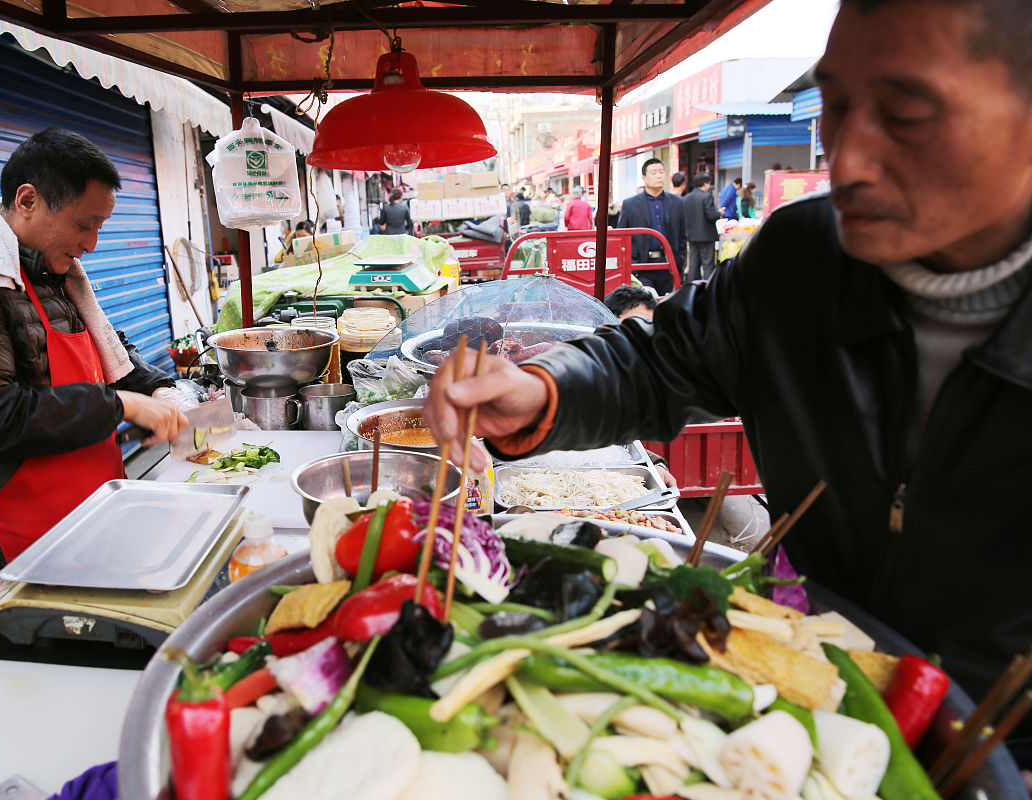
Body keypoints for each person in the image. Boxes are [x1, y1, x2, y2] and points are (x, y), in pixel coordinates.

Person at [426, 0, 1032, 769]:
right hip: (797, 685)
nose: (845, 161)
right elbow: (662, 357)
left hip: (999, 747)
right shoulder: (803, 260)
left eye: (907, 115)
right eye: (836, 108)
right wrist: (546, 390)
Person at [0, 128, 188, 584]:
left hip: (96, 505)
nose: (91, 244)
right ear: (28, 200)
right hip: (21, 532)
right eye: (83, 224)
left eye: (99, 227)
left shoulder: (56, 274)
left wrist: (154, 386)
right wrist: (121, 406)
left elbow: (106, 348)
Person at [616, 158, 686, 296]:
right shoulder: (630, 204)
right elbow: (621, 237)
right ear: (644, 178)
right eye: (653, 172)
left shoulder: (677, 202)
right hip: (641, 267)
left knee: (668, 306)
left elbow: (682, 235)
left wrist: (680, 262)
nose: (659, 175)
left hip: (669, 265)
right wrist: (631, 266)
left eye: (661, 172)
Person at [682, 173, 720, 281]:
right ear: (706, 184)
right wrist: (719, 213)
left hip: (692, 235)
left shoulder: (687, 197)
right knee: (708, 264)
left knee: (694, 263)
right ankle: (708, 286)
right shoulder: (706, 196)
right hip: (706, 236)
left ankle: (692, 286)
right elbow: (711, 215)